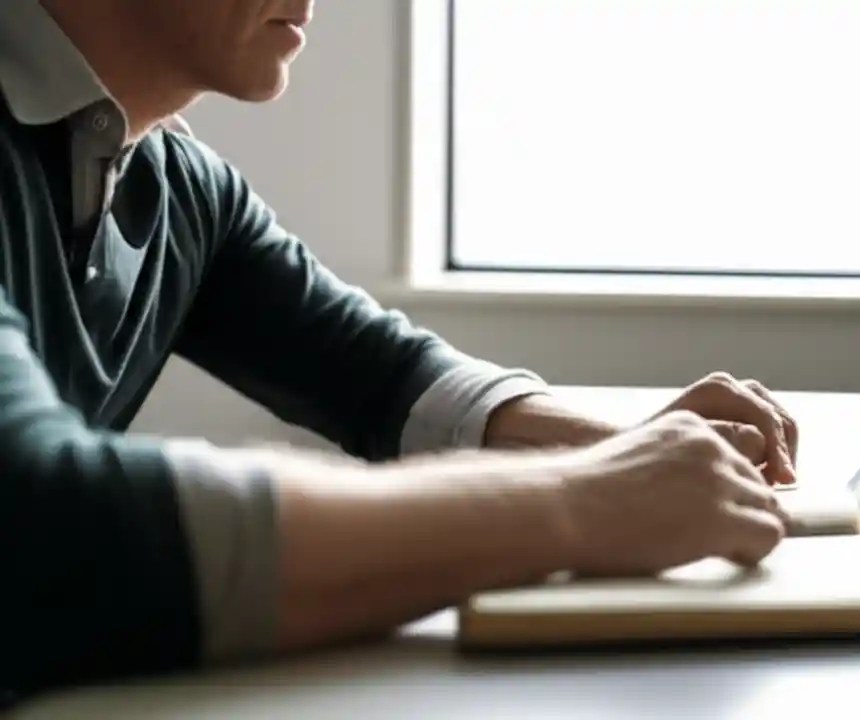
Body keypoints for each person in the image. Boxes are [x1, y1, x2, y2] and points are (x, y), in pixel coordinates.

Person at [0, 0, 802, 705]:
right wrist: (583, 504)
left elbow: (383, 377)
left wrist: (635, 454)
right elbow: (48, 528)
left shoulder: (178, 185)